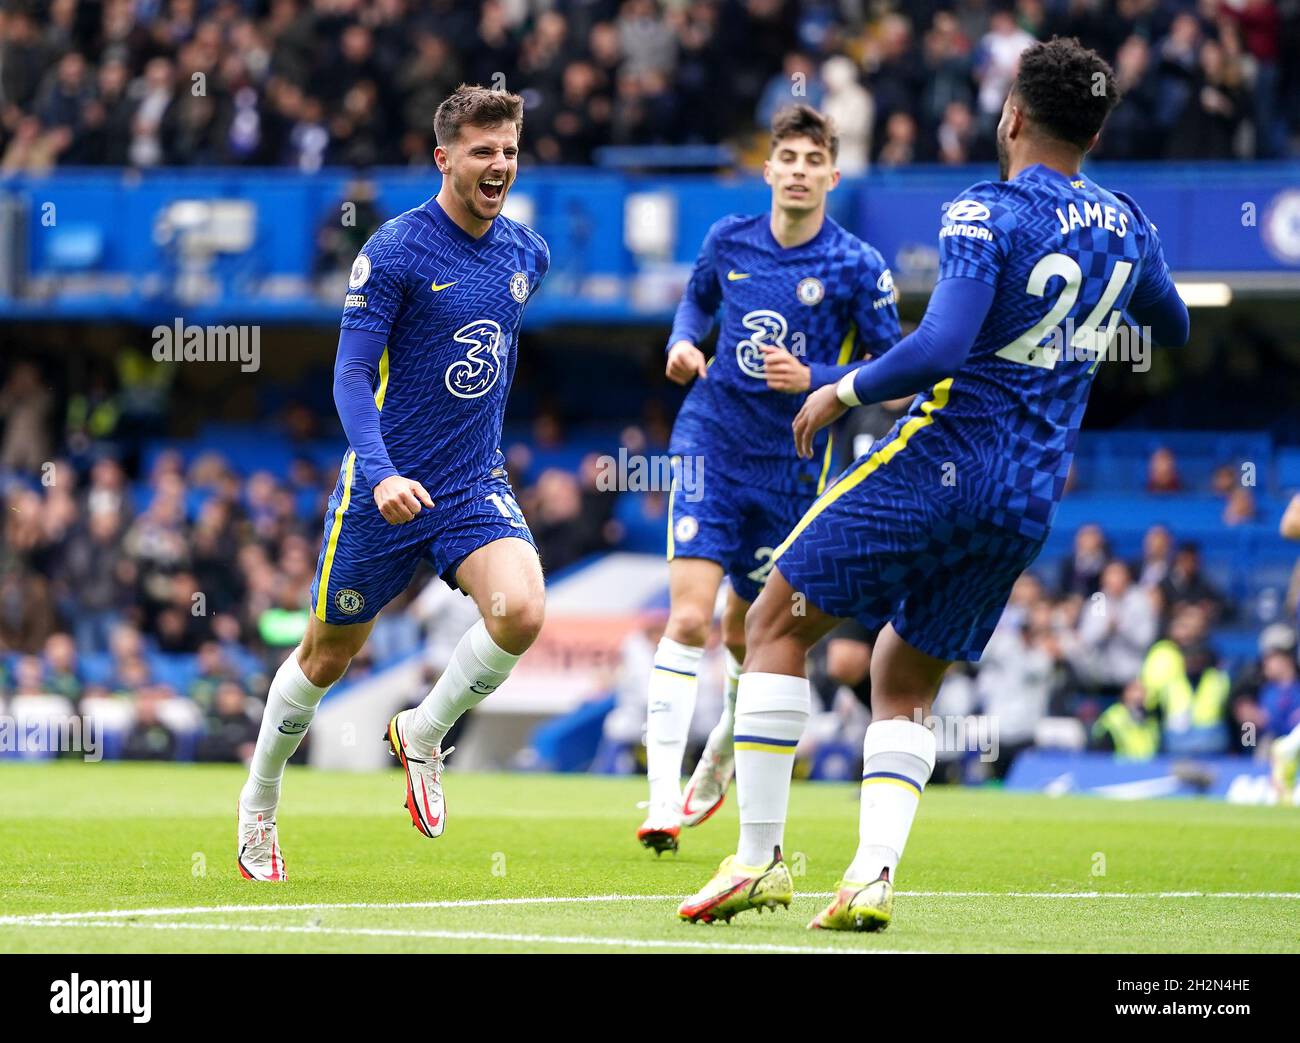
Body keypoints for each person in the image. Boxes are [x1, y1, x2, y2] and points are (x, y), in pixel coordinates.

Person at [677, 37, 1189, 930]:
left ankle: (758, 859)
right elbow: (1174, 323)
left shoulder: (984, 211)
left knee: (772, 621)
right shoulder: (1130, 224)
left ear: (1013, 115)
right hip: (1028, 495)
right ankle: (870, 876)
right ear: (1096, 133)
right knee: (902, 673)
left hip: (945, 459)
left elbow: (942, 347)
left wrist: (842, 386)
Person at [235, 85, 550, 882]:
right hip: (383, 488)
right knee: (325, 656)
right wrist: (379, 474)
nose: (499, 165)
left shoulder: (526, 254)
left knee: (522, 611)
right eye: (483, 151)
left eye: (509, 150)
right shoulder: (396, 250)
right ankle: (260, 802)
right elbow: (347, 377)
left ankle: (424, 731)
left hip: (471, 482)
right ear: (444, 158)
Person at [639, 104, 900, 854]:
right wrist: (684, 341)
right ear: (768, 168)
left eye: (812, 160)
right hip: (711, 441)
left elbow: (895, 373)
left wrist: (816, 376)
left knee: (746, 634)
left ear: (832, 175)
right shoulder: (729, 239)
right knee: (689, 619)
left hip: (792, 464)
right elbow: (695, 301)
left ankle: (720, 747)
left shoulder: (856, 265)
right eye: (786, 157)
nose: (797, 170)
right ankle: (661, 802)